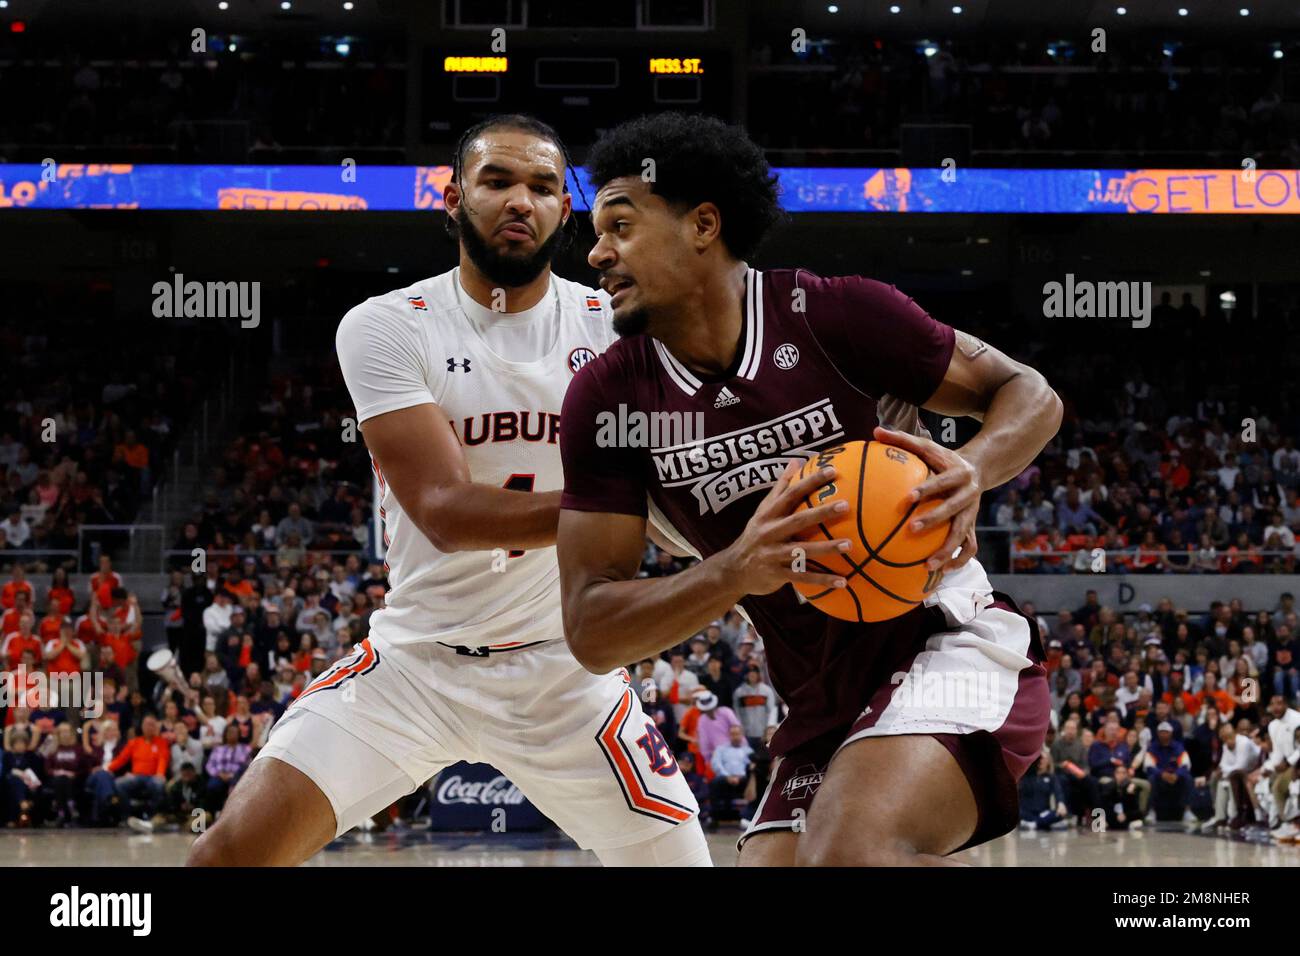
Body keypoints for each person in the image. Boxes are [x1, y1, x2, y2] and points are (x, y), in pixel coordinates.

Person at [189, 114, 707, 868]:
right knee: (228, 855)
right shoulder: (389, 325)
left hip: (567, 673)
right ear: (452, 198)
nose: (520, 201)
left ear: (568, 210)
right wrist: (631, 508)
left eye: (542, 187)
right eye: (496, 181)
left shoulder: (621, 330)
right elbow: (445, 512)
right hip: (415, 665)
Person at [556, 112, 1059, 865]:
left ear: (702, 224)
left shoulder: (838, 314)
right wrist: (735, 569)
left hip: (944, 641)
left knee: (851, 850)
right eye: (598, 233)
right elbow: (593, 632)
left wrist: (974, 468)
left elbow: (1028, 393)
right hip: (821, 702)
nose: (597, 253)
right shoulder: (606, 400)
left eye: (620, 226)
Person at [1200, 721, 1262, 832]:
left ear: (1234, 734)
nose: (1226, 740)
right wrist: (1224, 771)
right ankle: (1220, 817)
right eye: (1223, 738)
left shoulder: (1244, 743)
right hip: (1238, 773)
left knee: (1234, 777)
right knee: (1218, 778)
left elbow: (1241, 765)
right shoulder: (1225, 746)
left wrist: (1226, 770)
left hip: (1254, 770)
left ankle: (1236, 815)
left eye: (1228, 737)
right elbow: (1222, 764)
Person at [1144, 721, 1192, 822]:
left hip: (1175, 777)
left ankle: (1187, 811)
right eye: (1161, 732)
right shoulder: (1152, 747)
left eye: (1166, 732)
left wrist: (1177, 775)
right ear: (1157, 733)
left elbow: (1185, 764)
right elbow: (1149, 766)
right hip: (1160, 777)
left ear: (1171, 733)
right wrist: (1162, 774)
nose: (1163, 734)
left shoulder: (1178, 746)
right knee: (1151, 779)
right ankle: (1152, 812)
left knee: (1187, 778)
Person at [709, 724, 755, 829]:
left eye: (737, 734)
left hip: (742, 779)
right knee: (714, 782)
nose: (735, 736)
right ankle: (714, 819)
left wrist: (739, 777)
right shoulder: (721, 749)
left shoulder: (748, 751)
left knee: (754, 781)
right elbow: (716, 764)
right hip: (725, 778)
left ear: (742, 735)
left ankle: (749, 817)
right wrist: (728, 776)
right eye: (733, 734)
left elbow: (751, 767)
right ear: (729, 735)